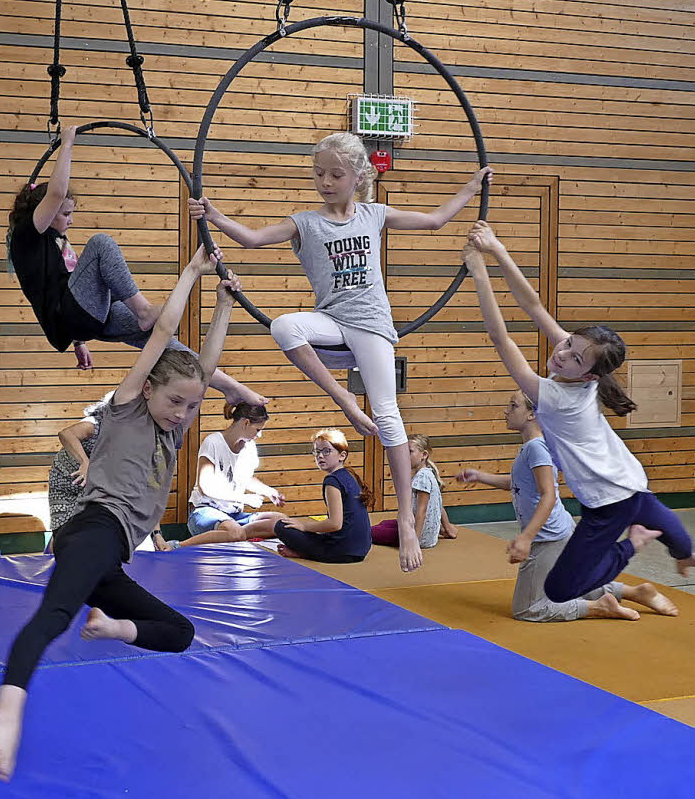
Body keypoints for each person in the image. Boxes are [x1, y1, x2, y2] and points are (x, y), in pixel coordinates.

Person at [0, 242, 239, 782]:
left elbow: (207, 366)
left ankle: (110, 627)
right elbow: (164, 335)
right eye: (175, 402)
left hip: (110, 556)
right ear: (146, 388)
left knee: (178, 632)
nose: (183, 414)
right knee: (51, 617)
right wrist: (193, 272)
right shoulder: (126, 408)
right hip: (91, 531)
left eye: (193, 407)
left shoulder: (174, 429)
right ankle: (7, 708)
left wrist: (223, 306)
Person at [189, 131, 491, 572]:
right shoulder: (306, 222)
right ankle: (345, 399)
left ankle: (406, 519)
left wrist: (469, 188)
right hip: (330, 325)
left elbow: (435, 221)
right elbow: (252, 239)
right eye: (319, 174)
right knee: (284, 325)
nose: (325, 182)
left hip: (371, 326)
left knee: (388, 415)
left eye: (335, 174)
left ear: (359, 176)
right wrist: (212, 214)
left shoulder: (374, 214)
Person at [462, 221, 695, 602]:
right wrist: (497, 248)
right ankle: (682, 554)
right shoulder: (582, 372)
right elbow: (534, 305)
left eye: (573, 355)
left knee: (559, 590)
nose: (562, 352)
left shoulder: (556, 397)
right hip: (634, 483)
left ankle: (633, 543)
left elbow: (499, 337)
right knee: (681, 540)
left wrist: (480, 270)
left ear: (588, 372)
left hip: (608, 505)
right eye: (568, 342)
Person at [8, 124, 263, 407]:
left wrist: (79, 342)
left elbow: (63, 287)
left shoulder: (55, 241)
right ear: (45, 210)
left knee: (161, 341)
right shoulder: (27, 235)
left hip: (85, 319)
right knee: (101, 243)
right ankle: (143, 310)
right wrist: (66, 143)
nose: (70, 220)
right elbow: (56, 194)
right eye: (66, 214)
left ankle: (230, 387)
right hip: (74, 317)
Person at [457, 390, 678, 622]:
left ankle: (600, 607)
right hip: (558, 531)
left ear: (532, 413)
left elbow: (548, 496)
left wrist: (526, 538)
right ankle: (634, 592)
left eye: (513, 406)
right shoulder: (533, 448)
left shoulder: (536, 448)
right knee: (572, 582)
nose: (506, 411)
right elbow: (518, 485)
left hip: (548, 537)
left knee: (528, 608)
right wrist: (480, 476)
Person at [47, 392, 166, 553]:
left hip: (100, 484)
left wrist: (157, 534)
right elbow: (66, 434)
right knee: (67, 532)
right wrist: (85, 462)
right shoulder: (97, 424)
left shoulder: (138, 441)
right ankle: (53, 555)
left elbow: (147, 491)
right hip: (69, 481)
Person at [271, 428, 373, 563]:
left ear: (342, 455)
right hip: (361, 549)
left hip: (342, 551)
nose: (320, 456)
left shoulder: (332, 481)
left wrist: (303, 525)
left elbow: (335, 524)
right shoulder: (349, 474)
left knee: (281, 526)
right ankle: (308, 551)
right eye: (317, 452)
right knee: (314, 531)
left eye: (326, 451)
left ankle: (305, 554)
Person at [185, 402, 284, 540]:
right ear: (246, 423)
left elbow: (246, 479)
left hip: (234, 516)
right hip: (206, 512)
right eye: (257, 430)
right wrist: (243, 498)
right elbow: (205, 488)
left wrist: (268, 491)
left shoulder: (249, 447)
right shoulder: (213, 442)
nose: (259, 435)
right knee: (235, 531)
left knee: (280, 522)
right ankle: (178, 545)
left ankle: (233, 536)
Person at [371, 433, 458, 549]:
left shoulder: (422, 477)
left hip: (420, 536)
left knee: (372, 532)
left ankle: (424, 534)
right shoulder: (429, 472)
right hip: (424, 531)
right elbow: (439, 505)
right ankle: (438, 530)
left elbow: (421, 511)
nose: (406, 456)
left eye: (410, 452)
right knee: (385, 523)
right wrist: (448, 528)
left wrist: (413, 541)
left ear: (424, 455)